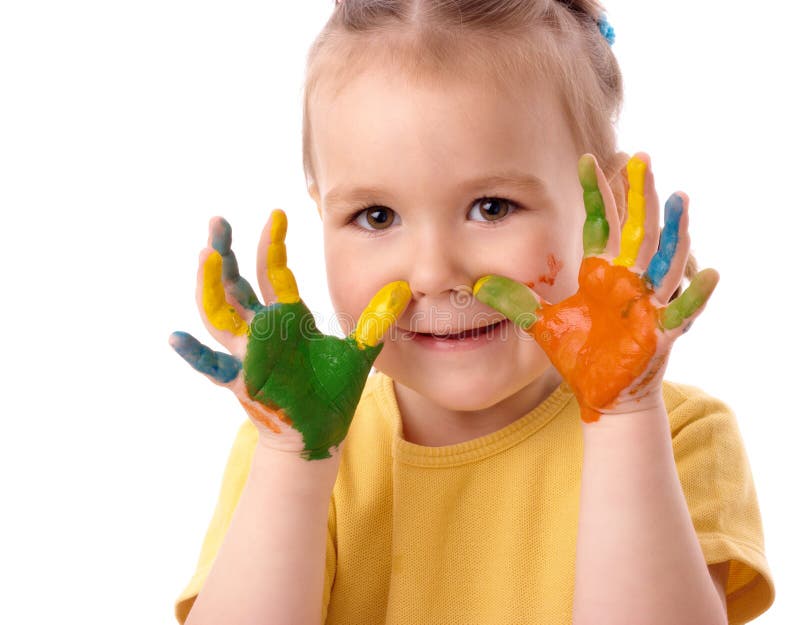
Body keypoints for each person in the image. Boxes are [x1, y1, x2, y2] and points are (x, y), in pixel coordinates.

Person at [170, 1, 775, 623]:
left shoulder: (677, 436)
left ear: (611, 204)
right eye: (376, 216)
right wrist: (294, 465)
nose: (432, 273)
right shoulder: (293, 441)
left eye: (492, 207)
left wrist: (623, 415)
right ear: (321, 212)